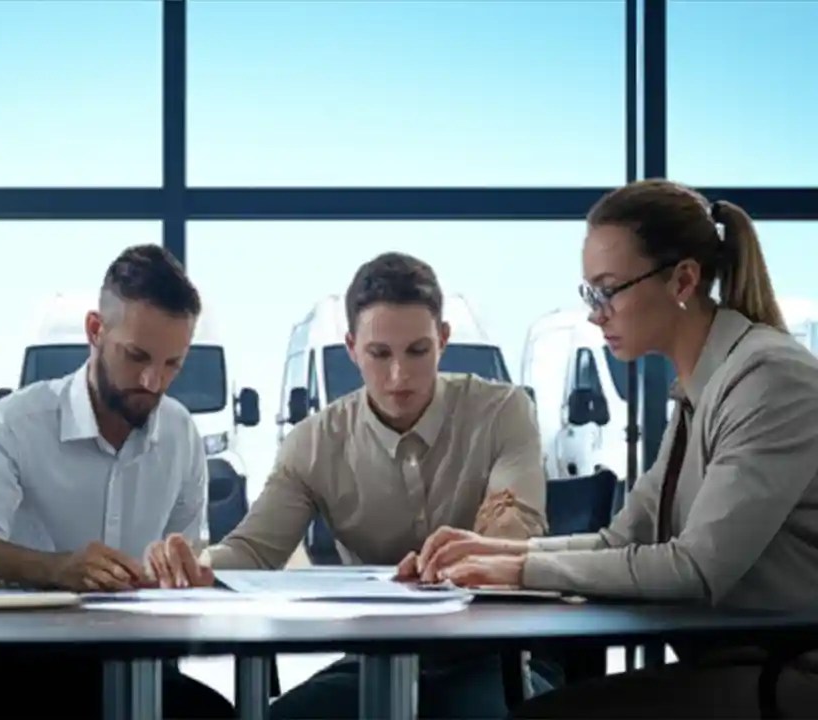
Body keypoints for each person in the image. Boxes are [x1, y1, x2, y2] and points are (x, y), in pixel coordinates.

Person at [417, 179, 818, 717]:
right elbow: (622, 539)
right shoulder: (703, 387)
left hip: (790, 671)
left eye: (609, 290)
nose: (595, 313)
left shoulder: (768, 379)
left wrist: (518, 572)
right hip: (739, 659)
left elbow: (696, 569)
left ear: (683, 280)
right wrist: (494, 552)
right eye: (590, 293)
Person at [146, 251, 548, 719]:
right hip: (371, 659)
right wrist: (198, 566)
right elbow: (254, 552)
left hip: (493, 657)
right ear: (352, 347)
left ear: (442, 340)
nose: (399, 376)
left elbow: (515, 532)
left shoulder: (503, 412)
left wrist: (469, 555)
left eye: (417, 351)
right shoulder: (314, 442)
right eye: (380, 354)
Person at [0, 244, 234, 718]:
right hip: (21, 673)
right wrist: (59, 571)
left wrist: (183, 573)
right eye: (136, 356)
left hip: (144, 668)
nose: (154, 381)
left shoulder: (181, 434)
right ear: (95, 330)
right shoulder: (11, 425)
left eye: (173, 364)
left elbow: (188, 558)